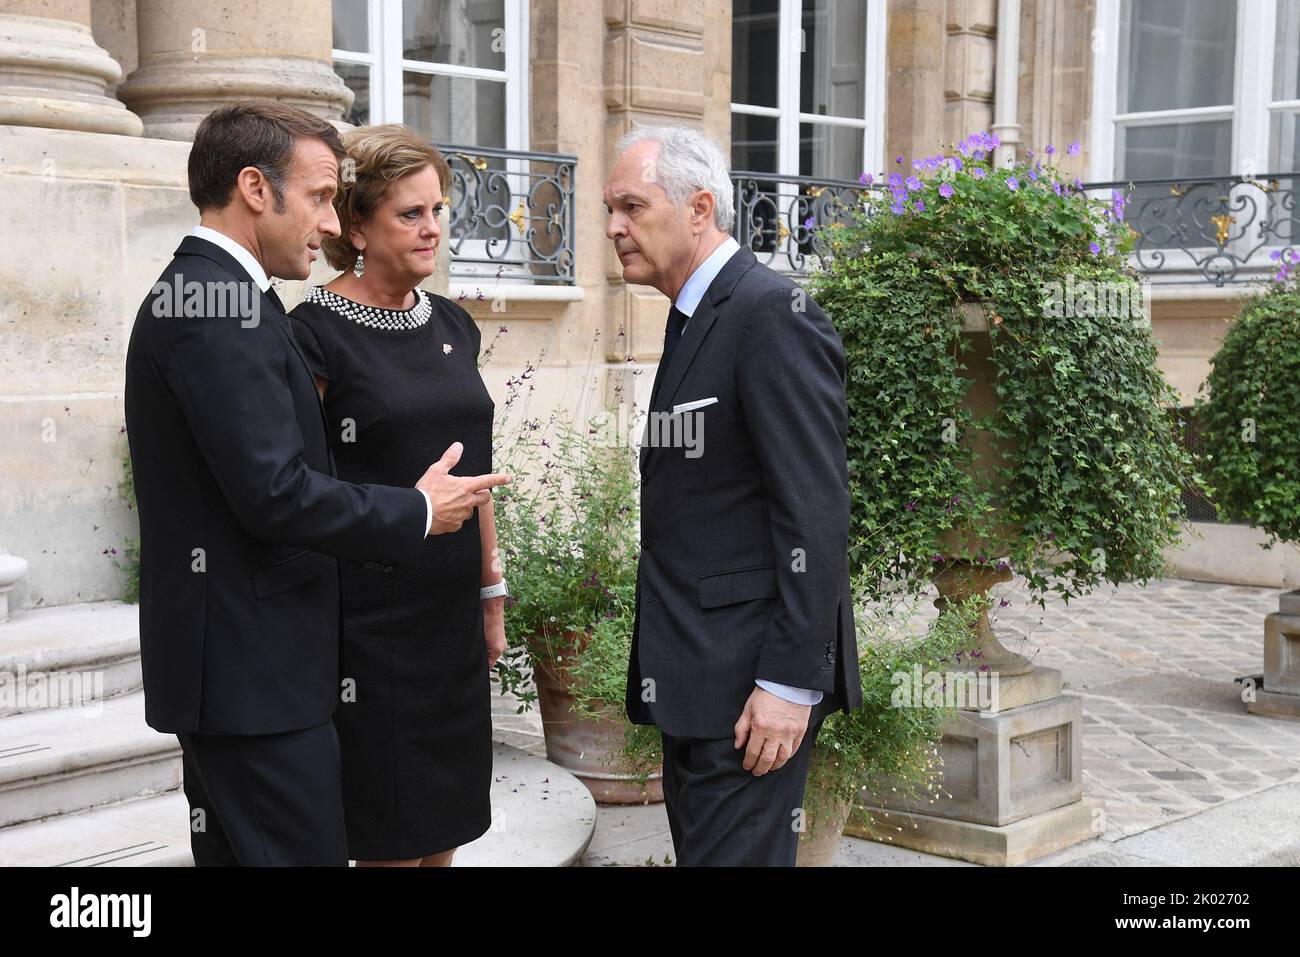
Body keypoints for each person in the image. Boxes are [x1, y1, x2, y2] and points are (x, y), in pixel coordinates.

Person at [123, 100, 509, 867]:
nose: (330, 223)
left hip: (257, 671)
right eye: (320, 197)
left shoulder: (236, 297)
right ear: (254, 189)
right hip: (251, 676)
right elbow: (274, 491)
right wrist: (414, 508)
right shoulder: (215, 306)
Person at [603, 125, 862, 866]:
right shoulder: (697, 314)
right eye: (610, 208)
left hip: (752, 691)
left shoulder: (770, 315)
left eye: (632, 205)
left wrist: (788, 683)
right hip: (699, 680)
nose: (615, 226)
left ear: (699, 207)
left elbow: (814, 511)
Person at [288, 124, 501, 867]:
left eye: (438, 210)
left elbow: (476, 474)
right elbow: (300, 487)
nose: (432, 228)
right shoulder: (311, 335)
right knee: (386, 837)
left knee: (443, 828)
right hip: (369, 628)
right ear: (355, 226)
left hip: (449, 621)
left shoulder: (453, 324)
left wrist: (491, 591)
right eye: (410, 214)